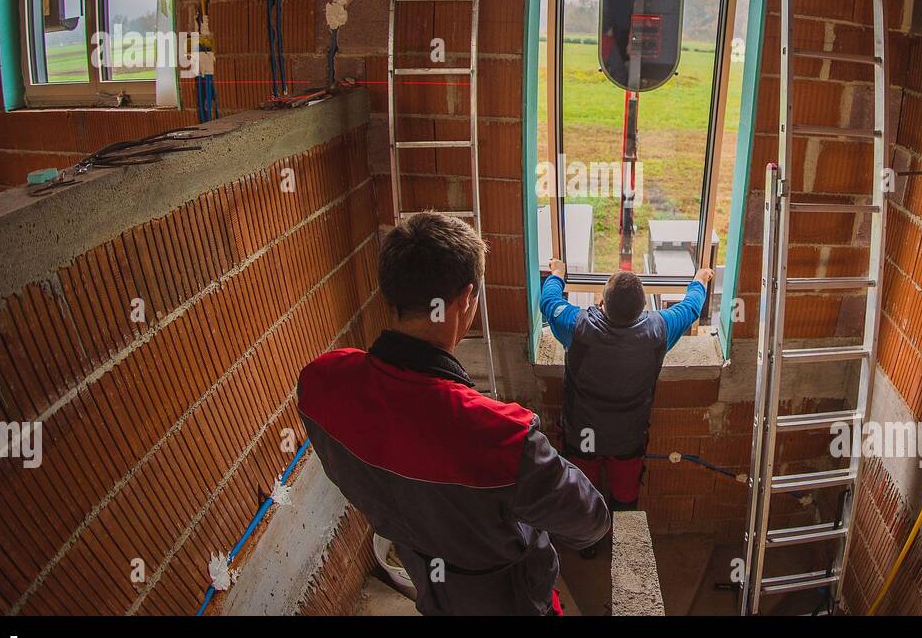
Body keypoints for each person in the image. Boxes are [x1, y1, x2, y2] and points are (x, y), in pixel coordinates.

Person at [298, 212, 610, 616]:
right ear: (465, 300)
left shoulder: (322, 384)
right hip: (510, 601)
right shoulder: (499, 438)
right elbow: (592, 520)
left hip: (431, 584)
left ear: (388, 294)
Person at [539, 259, 713, 548]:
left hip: (583, 436)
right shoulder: (659, 329)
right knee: (624, 498)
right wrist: (701, 279)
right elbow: (691, 308)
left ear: (603, 303)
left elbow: (549, 301)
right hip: (628, 438)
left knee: (585, 494)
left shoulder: (578, 327)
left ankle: (588, 547)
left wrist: (557, 272)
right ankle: (623, 550)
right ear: (643, 306)